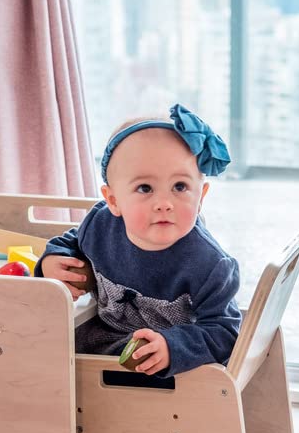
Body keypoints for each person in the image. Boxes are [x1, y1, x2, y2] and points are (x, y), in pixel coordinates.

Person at [35, 105, 241, 377]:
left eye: (180, 187)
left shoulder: (210, 263)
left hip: (167, 366)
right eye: (145, 188)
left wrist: (172, 347)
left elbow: (224, 331)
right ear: (113, 201)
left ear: (201, 195)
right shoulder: (100, 224)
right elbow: (72, 242)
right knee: (37, 343)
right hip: (101, 337)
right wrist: (52, 260)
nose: (164, 203)